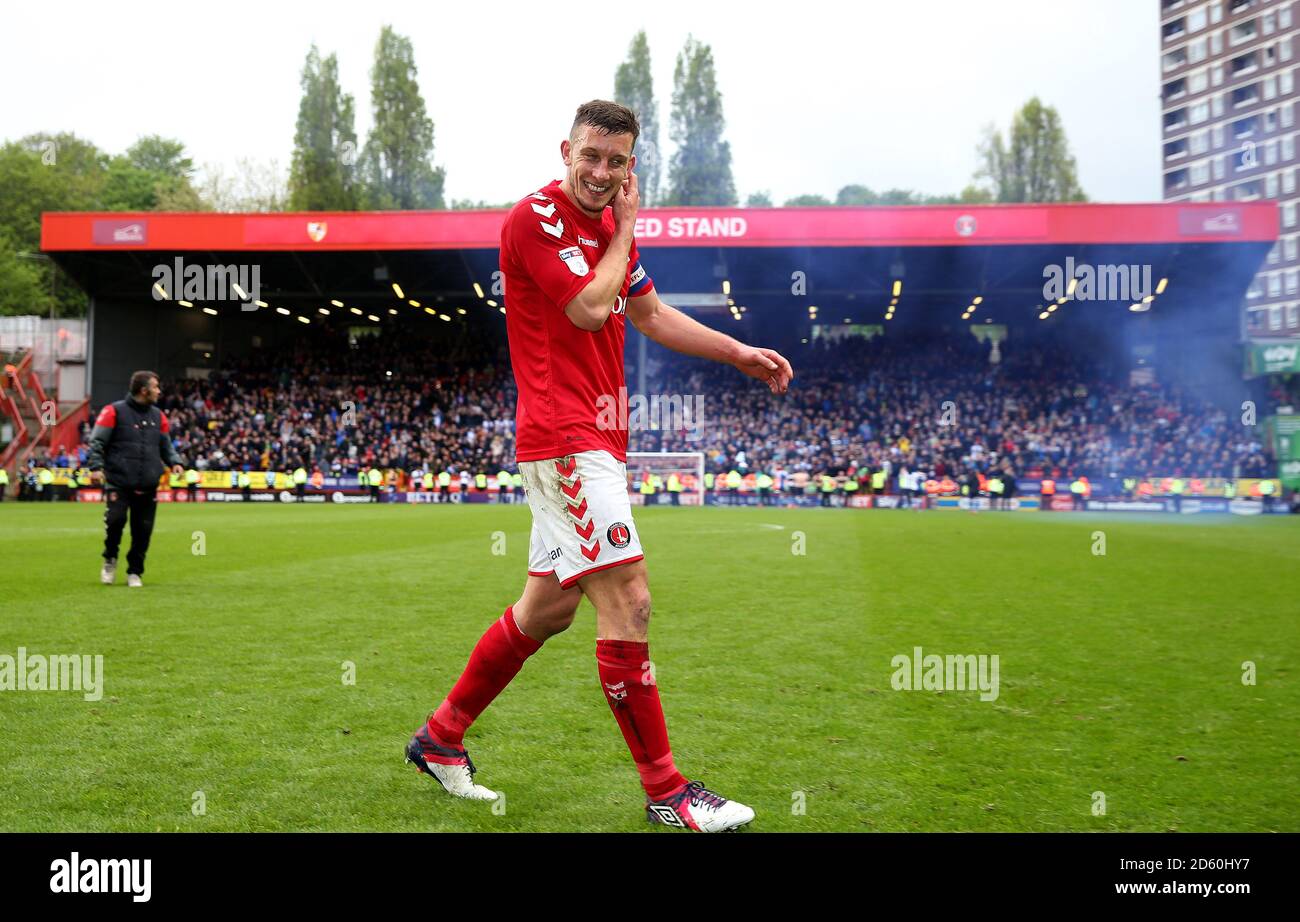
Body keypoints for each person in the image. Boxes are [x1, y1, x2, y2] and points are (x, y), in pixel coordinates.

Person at [407, 100, 793, 833]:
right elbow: (590, 308)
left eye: (617, 162)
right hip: (565, 438)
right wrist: (627, 231)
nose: (602, 172)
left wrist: (737, 352)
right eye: (591, 156)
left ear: (631, 166)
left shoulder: (611, 233)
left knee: (544, 611)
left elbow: (646, 314)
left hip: (596, 439)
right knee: (631, 601)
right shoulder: (537, 219)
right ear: (566, 151)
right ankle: (668, 792)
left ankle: (441, 737)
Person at [86, 370, 185, 588]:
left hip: (148, 482)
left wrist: (175, 462)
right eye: (156, 387)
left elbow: (166, 446)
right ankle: (110, 559)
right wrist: (95, 467)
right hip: (119, 480)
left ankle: (135, 572)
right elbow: (97, 443)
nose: (159, 391)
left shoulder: (159, 416)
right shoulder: (113, 411)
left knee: (143, 530)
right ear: (144, 390)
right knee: (115, 521)